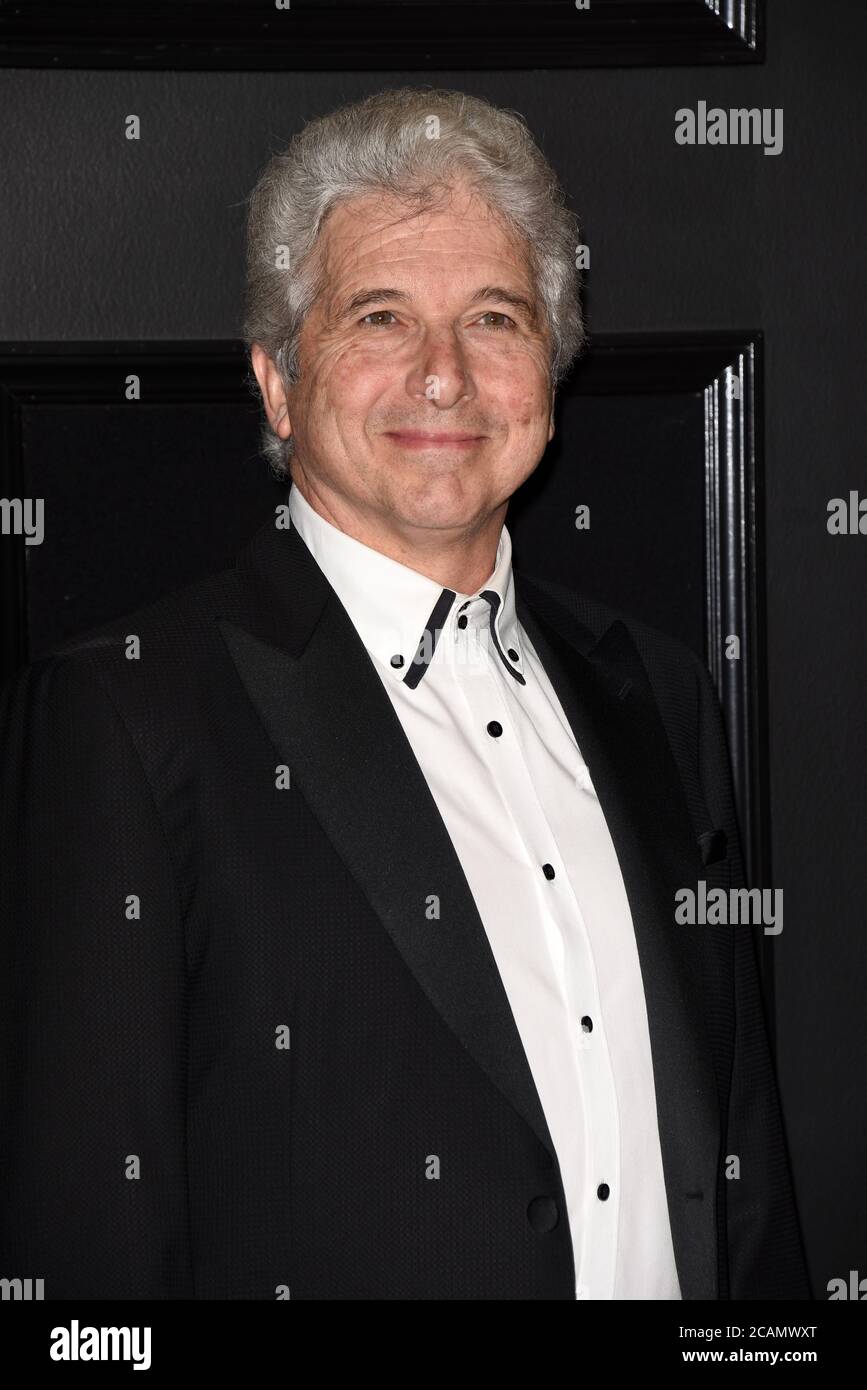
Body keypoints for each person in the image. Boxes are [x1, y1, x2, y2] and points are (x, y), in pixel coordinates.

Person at [0, 86, 809, 1300]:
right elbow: (87, 1267)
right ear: (277, 380)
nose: (444, 376)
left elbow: (743, 1183)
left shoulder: (661, 692)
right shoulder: (122, 717)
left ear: (551, 364)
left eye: (494, 317)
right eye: (380, 317)